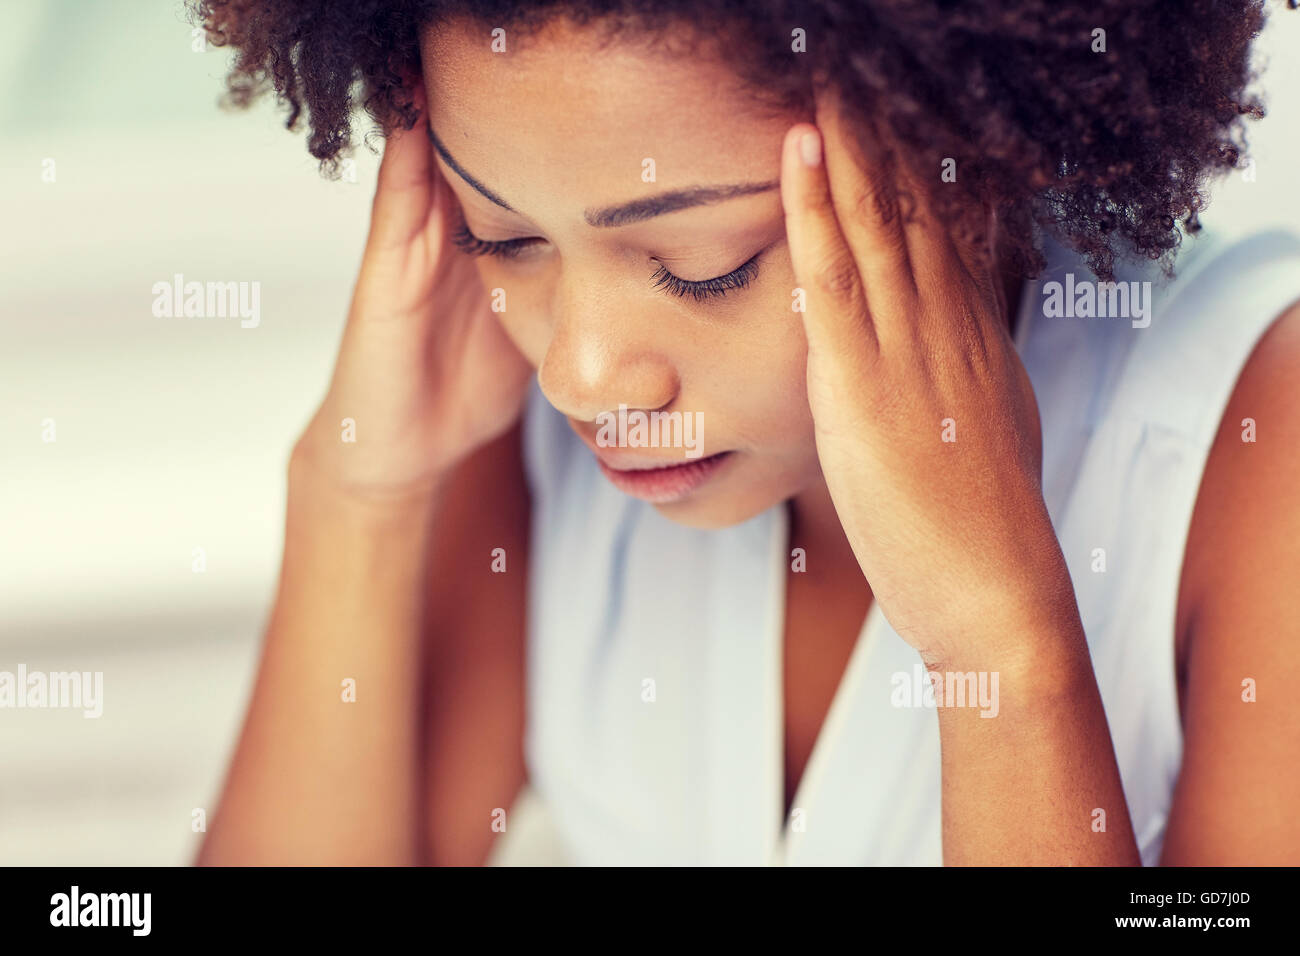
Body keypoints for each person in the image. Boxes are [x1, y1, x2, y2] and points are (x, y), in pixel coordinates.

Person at [192, 0, 1300, 865]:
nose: (581, 373)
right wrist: (353, 492)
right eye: (507, 238)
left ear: (963, 164)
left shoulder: (1256, 443)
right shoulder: (512, 418)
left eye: (703, 264)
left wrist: (999, 648)